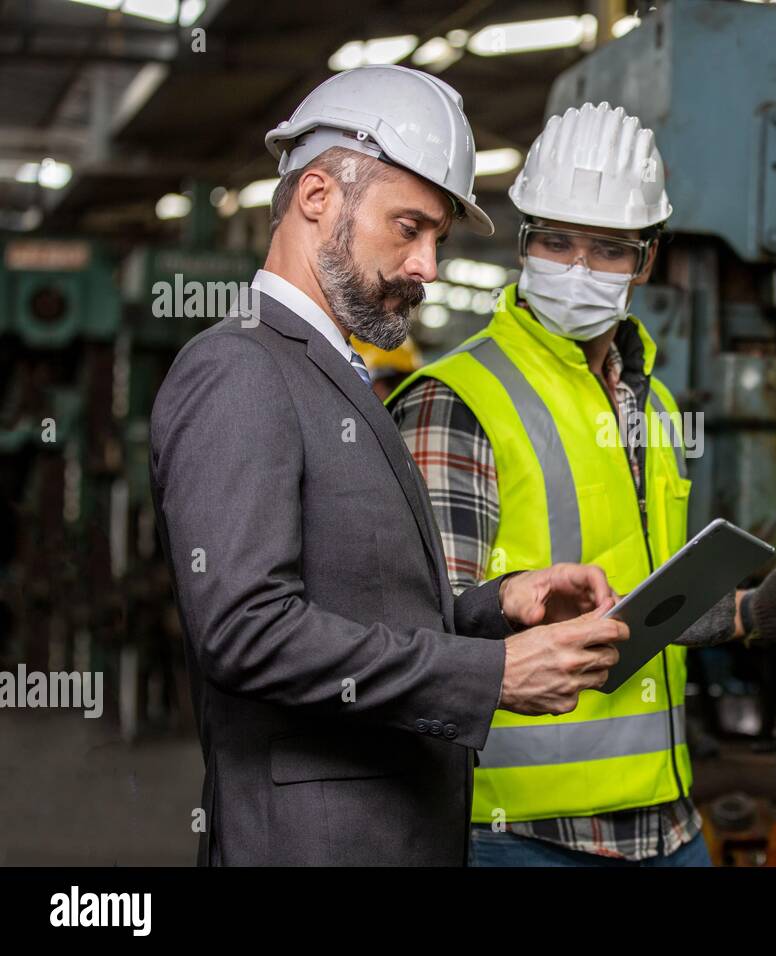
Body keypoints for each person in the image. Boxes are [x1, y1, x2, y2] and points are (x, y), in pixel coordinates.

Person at [149, 67, 628, 867]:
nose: (428, 266)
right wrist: (490, 674)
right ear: (316, 197)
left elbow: (354, 595)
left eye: (436, 237)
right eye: (408, 227)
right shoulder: (239, 369)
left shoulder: (334, 373)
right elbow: (244, 631)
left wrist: (493, 609)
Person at [389, 102, 776, 867]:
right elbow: (418, 637)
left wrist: (745, 614)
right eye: (555, 241)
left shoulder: (653, 405)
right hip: (518, 834)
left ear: (647, 259)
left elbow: (634, 610)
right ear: (523, 245)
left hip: (665, 821)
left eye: (606, 250)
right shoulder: (457, 401)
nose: (576, 269)